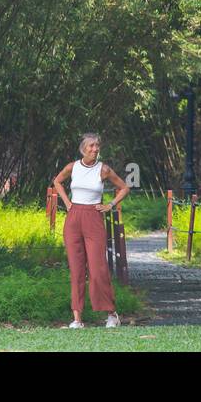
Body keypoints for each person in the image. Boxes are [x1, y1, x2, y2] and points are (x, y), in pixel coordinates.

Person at [52, 132, 129, 328]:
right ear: (83, 148)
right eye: (91, 146)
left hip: (94, 217)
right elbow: (57, 181)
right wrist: (68, 203)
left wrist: (110, 204)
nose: (95, 149)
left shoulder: (103, 169)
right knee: (76, 270)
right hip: (73, 218)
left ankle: (111, 314)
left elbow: (124, 187)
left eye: (97, 146)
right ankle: (77, 319)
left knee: (97, 269)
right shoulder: (73, 167)